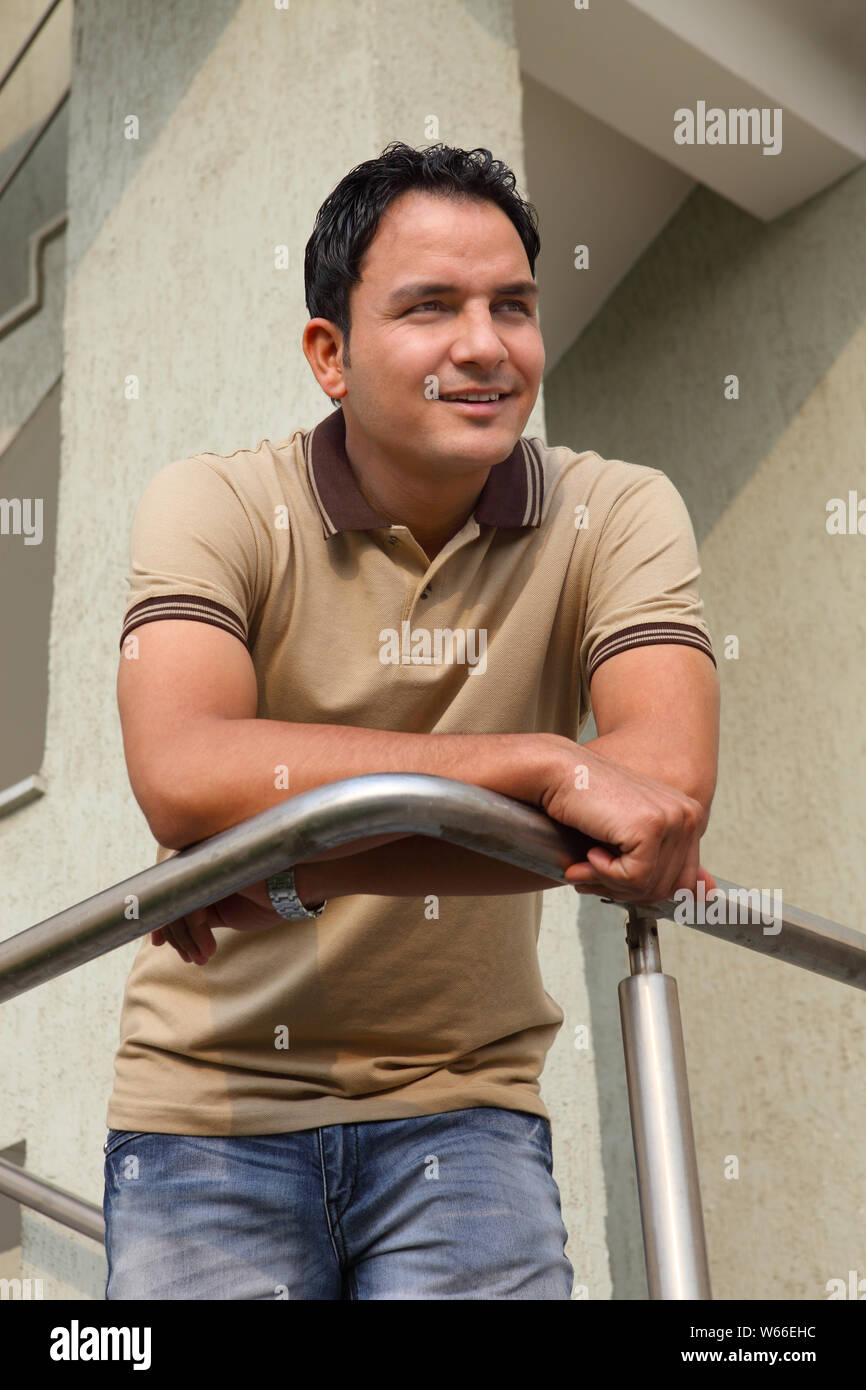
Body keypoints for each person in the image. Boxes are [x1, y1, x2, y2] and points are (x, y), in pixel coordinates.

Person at [103, 141, 720, 1300]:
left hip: (465, 1109)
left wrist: (278, 871)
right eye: (430, 307)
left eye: (513, 307)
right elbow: (183, 770)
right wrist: (538, 762)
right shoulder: (215, 503)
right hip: (207, 1107)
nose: (483, 345)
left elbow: (654, 800)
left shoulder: (617, 511)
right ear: (328, 355)